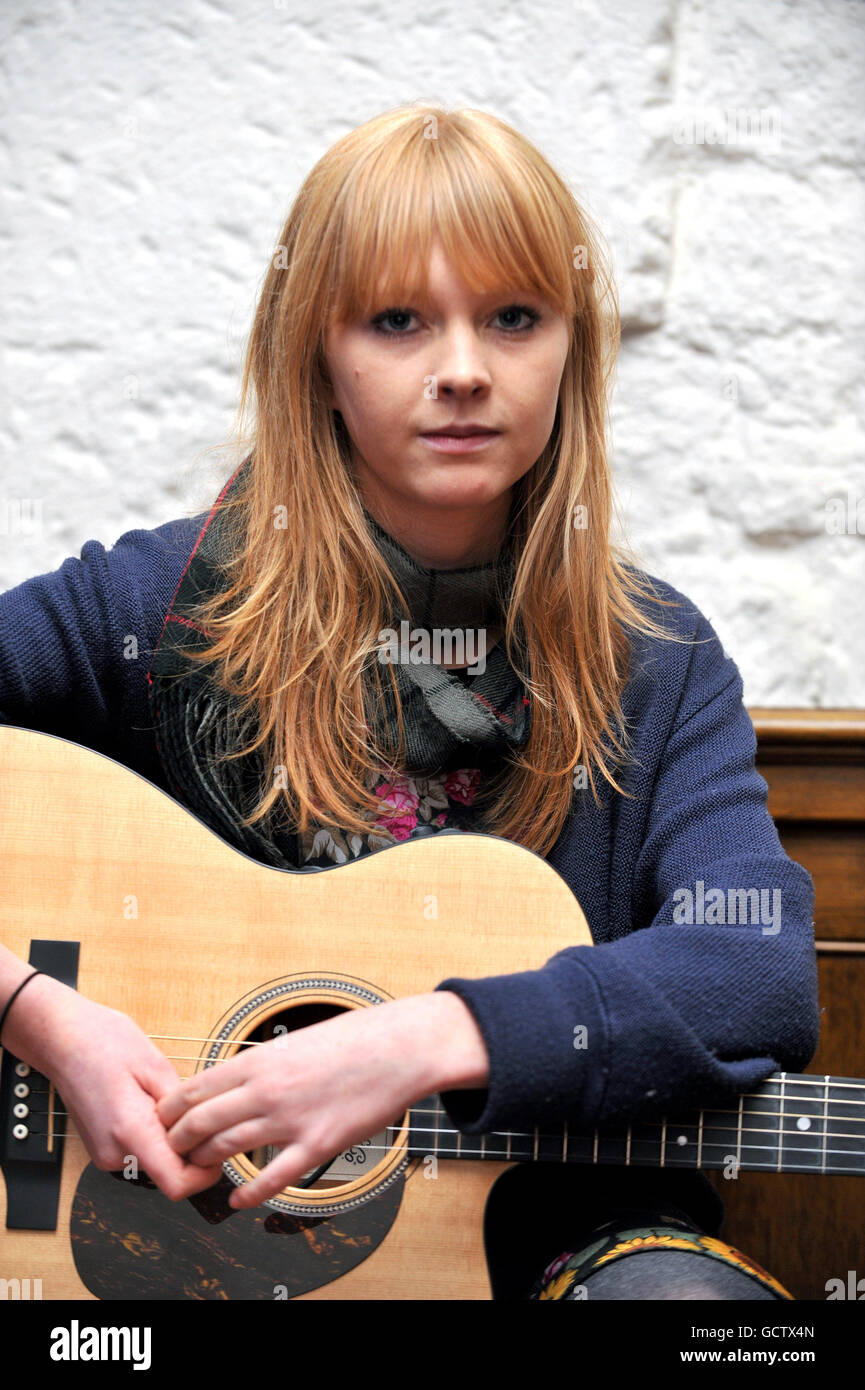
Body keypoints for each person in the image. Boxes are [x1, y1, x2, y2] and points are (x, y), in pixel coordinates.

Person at [0, 103, 819, 1301]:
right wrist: (34, 1011)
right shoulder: (156, 606)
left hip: (557, 1253)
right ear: (317, 357)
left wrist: (418, 1040)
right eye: (396, 320)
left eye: (513, 318)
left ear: (569, 353)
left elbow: (753, 965)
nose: (462, 370)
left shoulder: (660, 657)